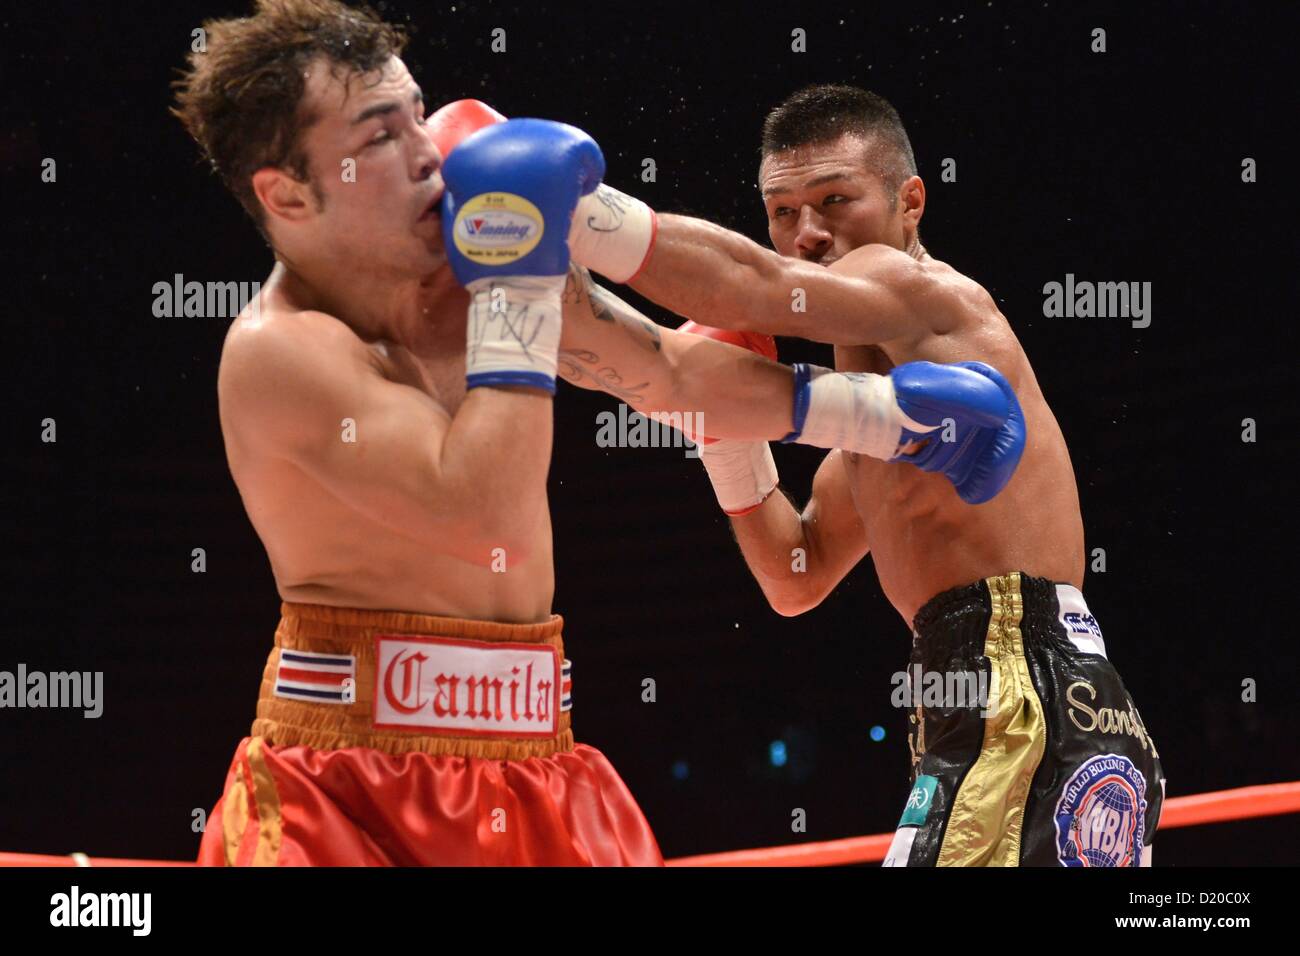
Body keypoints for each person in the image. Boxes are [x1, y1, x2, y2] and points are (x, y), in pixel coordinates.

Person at [172, 2, 1024, 866]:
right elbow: (483, 507)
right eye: (377, 139)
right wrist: (522, 277)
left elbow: (669, 373)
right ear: (286, 191)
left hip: (539, 757)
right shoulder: (278, 353)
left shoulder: (469, 262)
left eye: (413, 113)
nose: (428, 150)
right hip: (348, 787)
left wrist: (886, 419)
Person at [525, 83, 1165, 867]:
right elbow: (795, 574)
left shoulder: (925, 293)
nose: (810, 234)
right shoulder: (902, 431)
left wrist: (577, 215)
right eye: (783, 212)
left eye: (836, 200)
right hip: (1004, 700)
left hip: (1022, 694)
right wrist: (725, 442)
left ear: (911, 202)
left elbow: (753, 288)